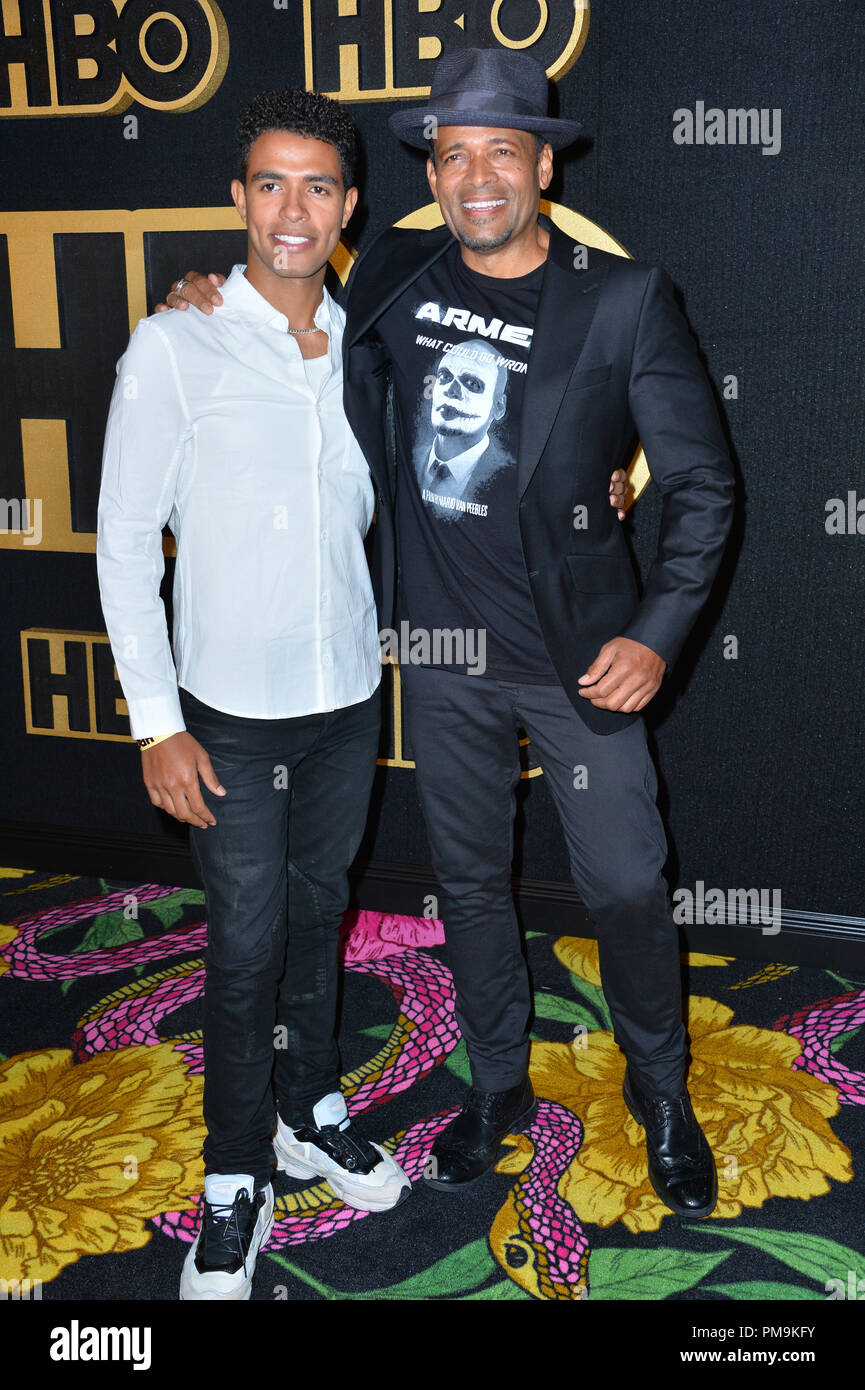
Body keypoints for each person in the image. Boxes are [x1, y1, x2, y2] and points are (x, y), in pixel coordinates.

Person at [97, 89, 413, 1302]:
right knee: (243, 945)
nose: (294, 209)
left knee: (317, 916)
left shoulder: (364, 344)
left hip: (343, 699)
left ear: (349, 203)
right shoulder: (174, 344)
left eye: (318, 186)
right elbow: (125, 545)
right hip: (221, 710)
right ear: (238, 199)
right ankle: (235, 1179)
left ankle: (309, 1105)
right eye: (270, 184)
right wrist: (156, 719)